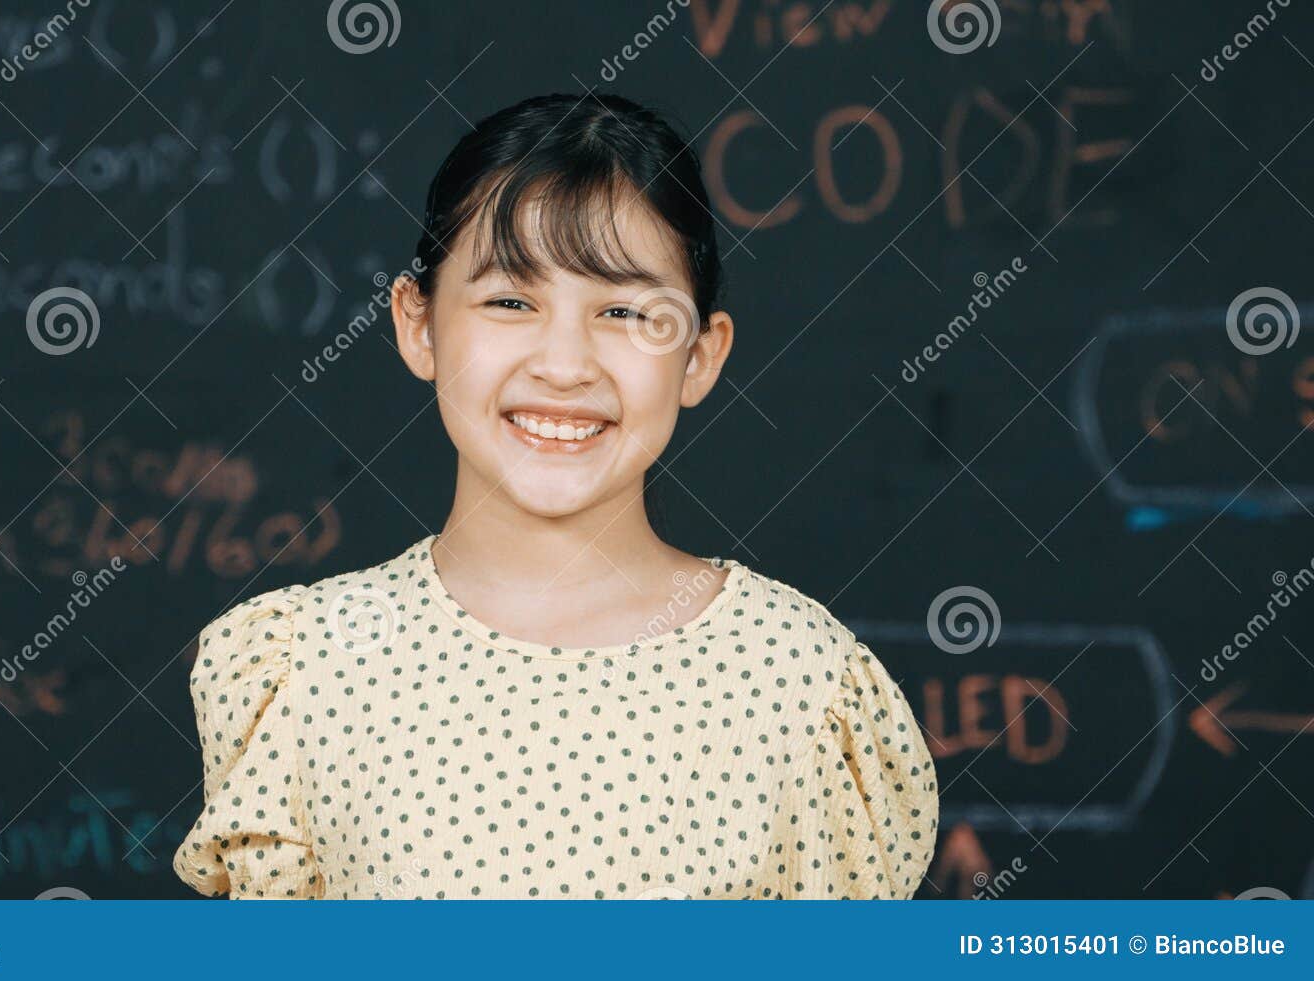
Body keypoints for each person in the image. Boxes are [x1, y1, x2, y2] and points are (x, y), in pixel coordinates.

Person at [173, 92, 938, 899]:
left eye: (626, 311)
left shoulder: (799, 679)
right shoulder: (306, 668)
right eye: (510, 302)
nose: (565, 365)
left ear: (700, 356)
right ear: (418, 325)